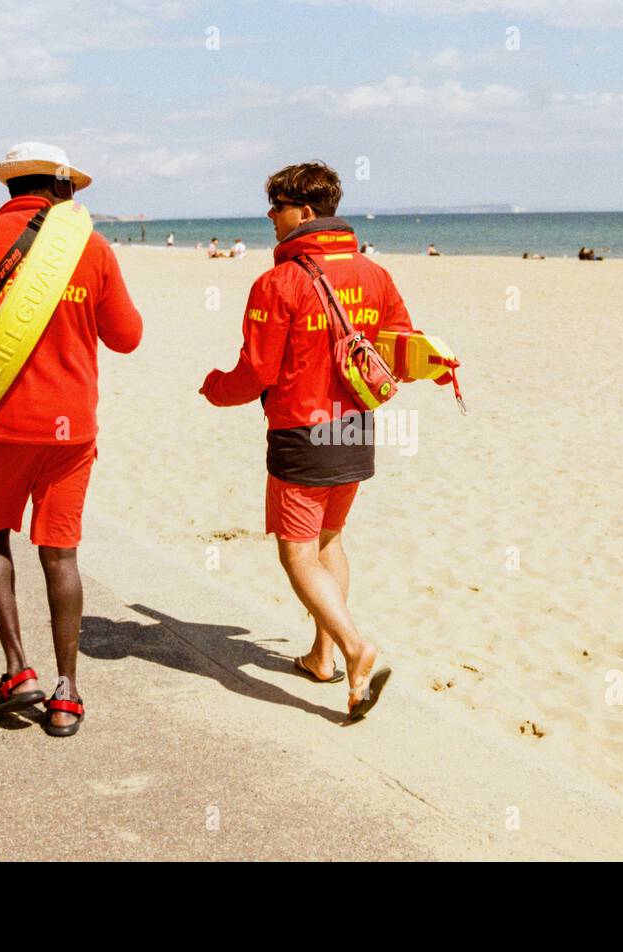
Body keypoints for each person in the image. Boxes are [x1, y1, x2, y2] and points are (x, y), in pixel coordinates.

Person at [0, 142, 142, 737]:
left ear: (12, 189)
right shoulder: (91, 248)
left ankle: (18, 670)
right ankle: (67, 693)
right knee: (61, 553)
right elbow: (128, 337)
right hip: (71, 431)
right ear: (62, 190)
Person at [200, 161, 410, 722]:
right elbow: (402, 346)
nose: (270, 215)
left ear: (308, 213)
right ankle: (322, 658)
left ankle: (353, 646)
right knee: (330, 542)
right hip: (356, 427)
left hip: (302, 430)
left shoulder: (279, 281)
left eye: (278, 205)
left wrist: (214, 389)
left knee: (296, 552)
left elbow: (257, 373)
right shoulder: (374, 274)